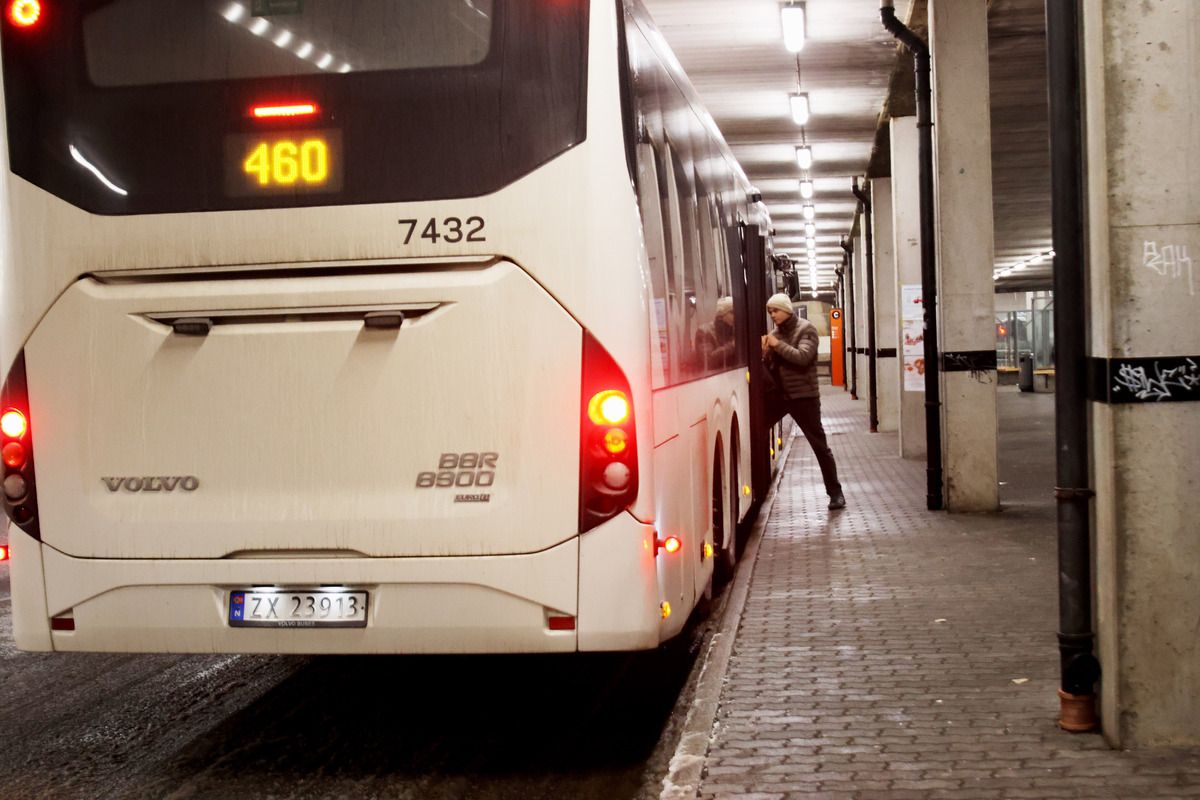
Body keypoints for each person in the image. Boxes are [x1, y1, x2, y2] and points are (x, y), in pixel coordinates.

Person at [762, 292, 846, 509]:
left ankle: (836, 493)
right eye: (770, 311)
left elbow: (803, 358)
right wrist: (766, 353)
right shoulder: (775, 333)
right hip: (782, 397)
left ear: (786, 310)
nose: (773, 315)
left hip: (804, 397)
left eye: (775, 310)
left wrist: (776, 345)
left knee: (819, 446)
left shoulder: (806, 329)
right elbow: (774, 366)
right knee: (756, 430)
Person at [695, 296, 736, 371]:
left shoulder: (735, 330)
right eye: (732, 312)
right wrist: (732, 346)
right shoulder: (704, 331)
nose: (736, 316)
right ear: (721, 314)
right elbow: (708, 361)